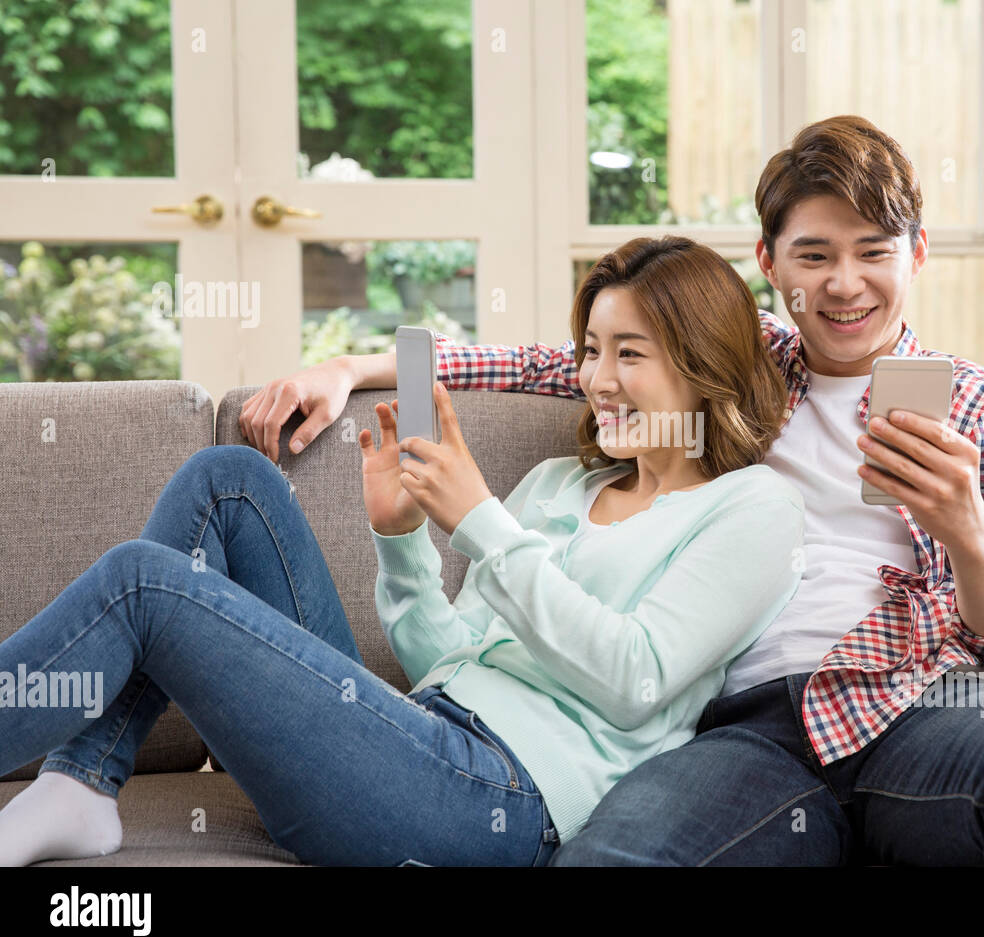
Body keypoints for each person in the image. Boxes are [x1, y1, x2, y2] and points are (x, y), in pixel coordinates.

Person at [235, 115, 984, 866]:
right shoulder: (740, 362)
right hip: (738, 730)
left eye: (873, 252)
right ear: (770, 260)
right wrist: (355, 364)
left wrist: (965, 531)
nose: (843, 284)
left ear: (919, 253)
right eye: (813, 255)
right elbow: (564, 362)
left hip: (914, 711)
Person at [0, 236, 804, 867]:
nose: (597, 378)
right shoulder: (563, 482)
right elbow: (444, 659)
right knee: (229, 479)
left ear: (705, 365)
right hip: (417, 737)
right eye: (591, 350)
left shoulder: (753, 508)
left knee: (143, 583)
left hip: (502, 797)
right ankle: (80, 781)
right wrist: (403, 537)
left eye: (630, 354)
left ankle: (72, 785)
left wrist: (482, 521)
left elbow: (637, 678)